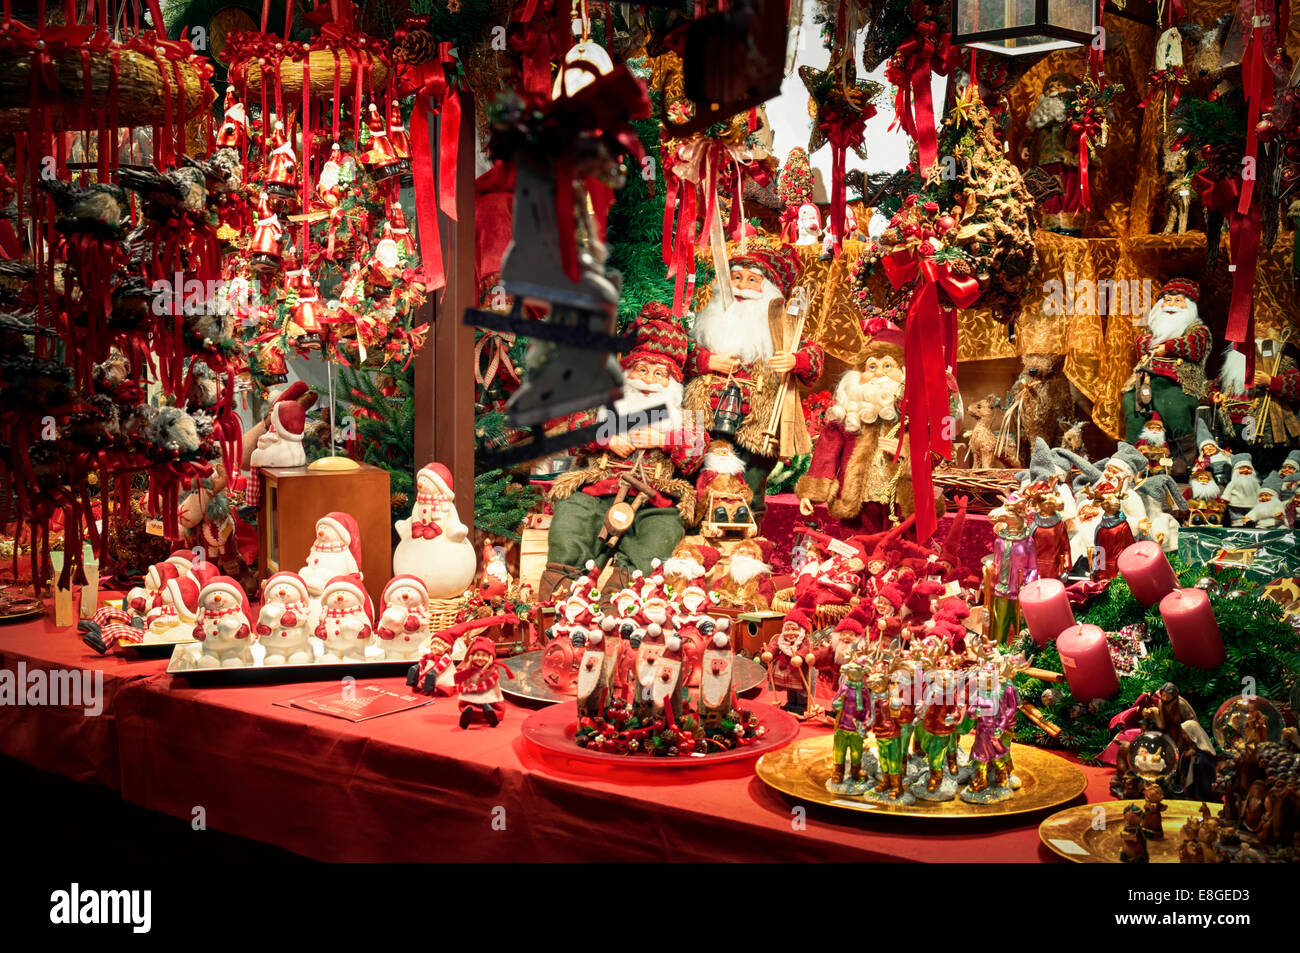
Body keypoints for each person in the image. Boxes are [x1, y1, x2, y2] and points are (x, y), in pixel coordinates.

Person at [541, 304, 705, 599]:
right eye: (641, 370)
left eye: (659, 374)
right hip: (599, 488)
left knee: (661, 534)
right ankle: (562, 590)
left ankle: (624, 594)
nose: (648, 381)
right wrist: (606, 437)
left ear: (673, 382)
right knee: (572, 519)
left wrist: (662, 439)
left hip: (654, 496)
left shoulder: (685, 416)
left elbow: (696, 454)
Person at [682, 245, 824, 522]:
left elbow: (814, 356)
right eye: (736, 278)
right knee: (702, 482)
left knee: (751, 485)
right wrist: (707, 361)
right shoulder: (705, 321)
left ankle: (747, 539)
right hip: (706, 418)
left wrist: (797, 360)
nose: (742, 287)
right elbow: (680, 352)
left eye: (752, 280)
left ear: (768, 289)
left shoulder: (781, 328)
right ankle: (697, 538)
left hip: (758, 426)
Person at [1121, 278, 1211, 456]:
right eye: (1168, 300)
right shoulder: (1151, 328)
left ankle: (1182, 455)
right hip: (1146, 379)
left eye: (1178, 301)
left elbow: (1194, 346)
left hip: (1178, 382)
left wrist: (1167, 347)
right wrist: (1159, 343)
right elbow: (1141, 343)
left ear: (1189, 305)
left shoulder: (1197, 330)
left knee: (1173, 405)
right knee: (1131, 402)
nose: (1171, 305)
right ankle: (1132, 453)